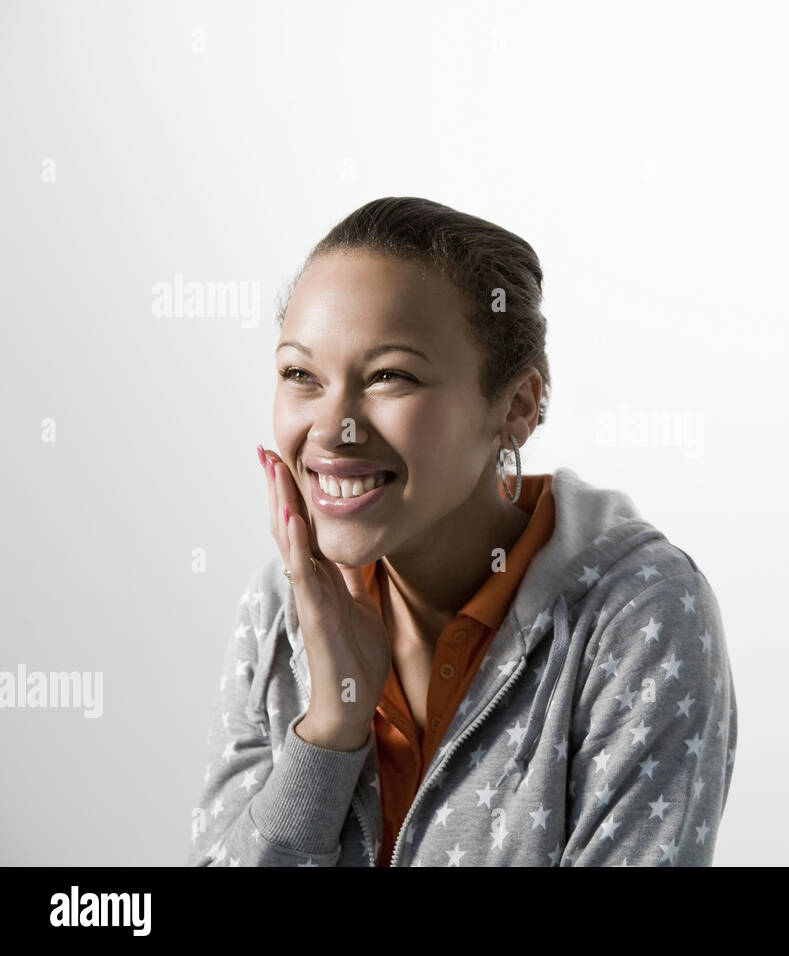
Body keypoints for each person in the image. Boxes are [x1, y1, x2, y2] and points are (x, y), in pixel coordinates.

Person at [186, 197, 738, 866]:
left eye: (391, 376)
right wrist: (330, 728)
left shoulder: (635, 616)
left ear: (517, 406)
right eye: (301, 375)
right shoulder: (281, 605)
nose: (334, 430)